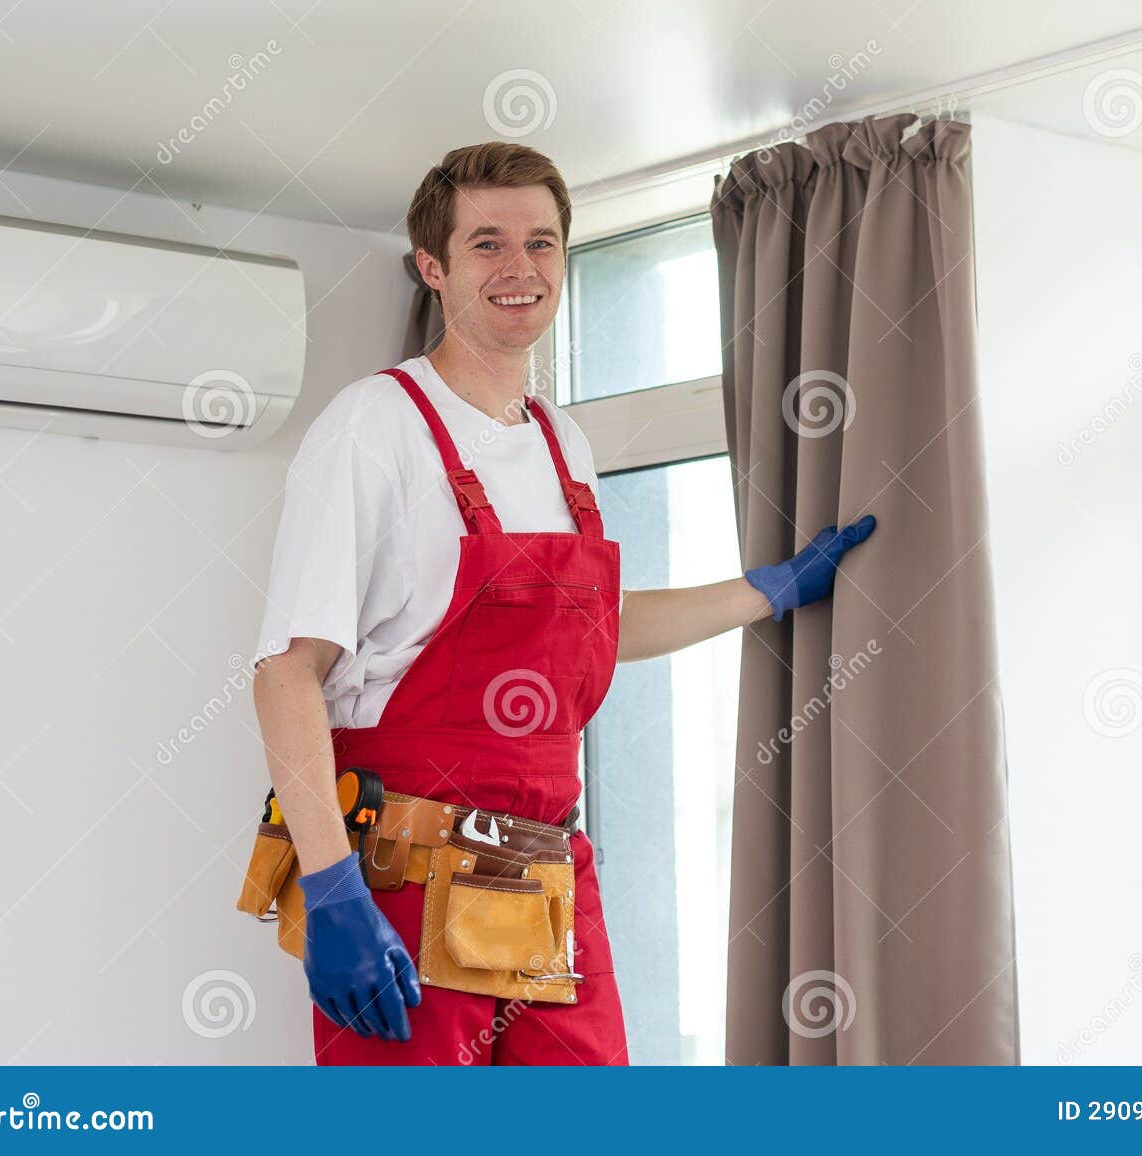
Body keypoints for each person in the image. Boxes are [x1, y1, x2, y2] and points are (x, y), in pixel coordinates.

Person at [250, 140, 876, 1065]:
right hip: (403, 878)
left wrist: (767, 593)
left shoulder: (560, 444)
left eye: (542, 244)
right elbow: (286, 675)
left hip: (544, 872)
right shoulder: (374, 426)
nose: (520, 269)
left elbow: (595, 630)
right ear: (434, 267)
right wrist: (333, 886)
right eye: (488, 245)